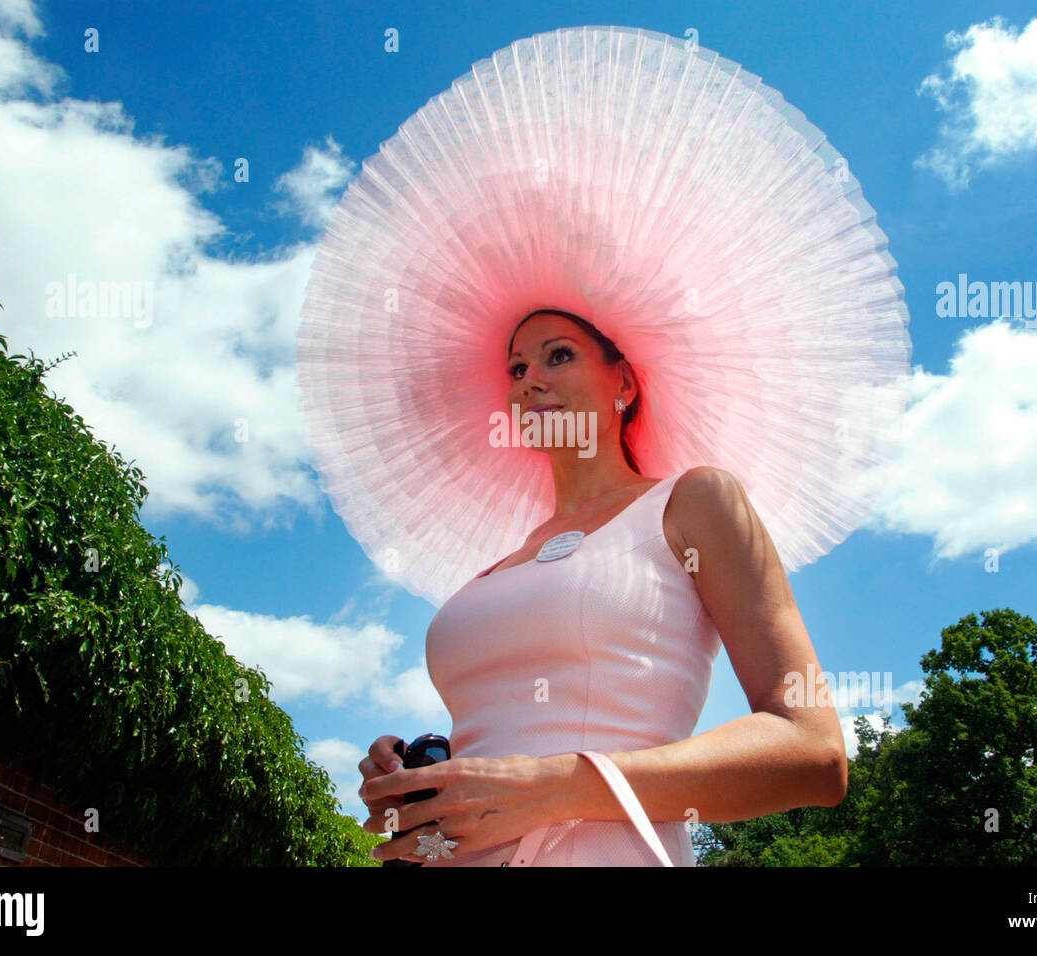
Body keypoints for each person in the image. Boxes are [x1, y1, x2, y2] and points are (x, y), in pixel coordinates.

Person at [356, 307, 849, 866]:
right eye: (516, 370)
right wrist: (417, 772)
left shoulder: (692, 501)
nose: (530, 381)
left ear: (625, 381)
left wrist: (557, 784)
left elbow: (813, 751)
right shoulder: (496, 570)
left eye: (558, 355)